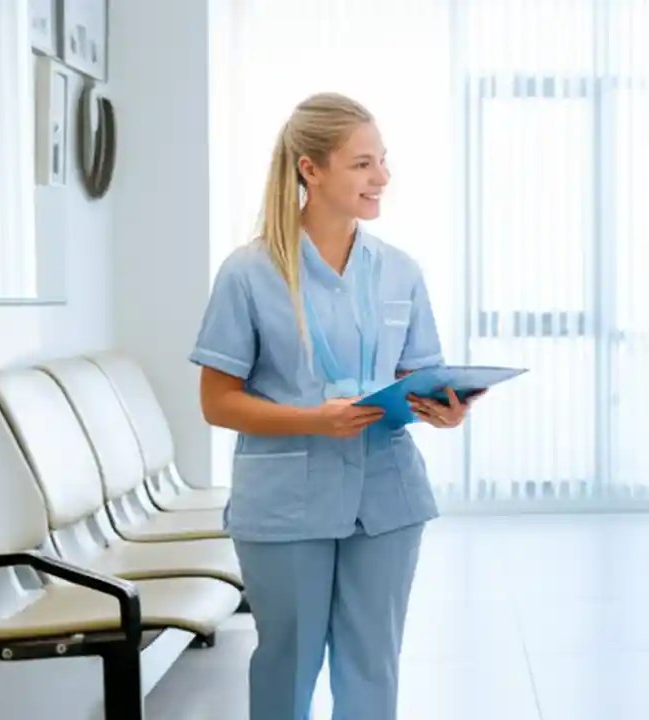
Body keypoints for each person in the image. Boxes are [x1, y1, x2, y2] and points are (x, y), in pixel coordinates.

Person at [190, 92, 479, 720]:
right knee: (288, 662)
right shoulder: (248, 272)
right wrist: (312, 421)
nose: (382, 178)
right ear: (310, 170)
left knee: (372, 662)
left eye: (383, 162)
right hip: (288, 499)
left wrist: (442, 405)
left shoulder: (400, 270)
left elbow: (417, 373)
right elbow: (217, 401)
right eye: (362, 164)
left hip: (388, 495)